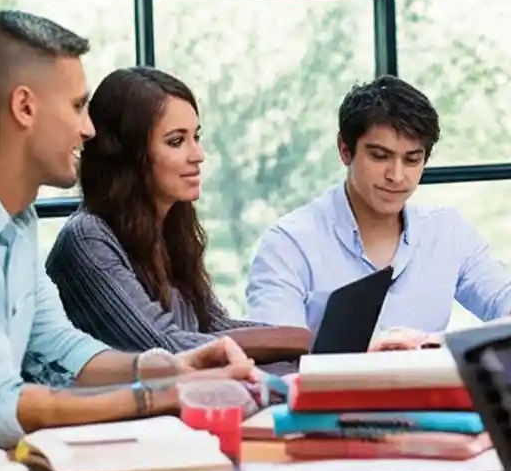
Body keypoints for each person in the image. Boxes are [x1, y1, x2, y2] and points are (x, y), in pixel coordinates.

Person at [0, 11, 255, 448]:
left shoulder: (17, 219)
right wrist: (157, 396)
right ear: (24, 107)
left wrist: (170, 368)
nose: (88, 129)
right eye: (78, 106)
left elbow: (58, 346)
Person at [245, 75, 511, 334]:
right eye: (380, 156)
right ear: (345, 150)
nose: (396, 176)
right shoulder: (288, 244)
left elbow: (503, 299)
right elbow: (277, 361)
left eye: (412, 160)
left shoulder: (445, 230)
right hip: (332, 405)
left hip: (430, 403)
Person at [45, 67, 311, 364]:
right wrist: (304, 340)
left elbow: (214, 326)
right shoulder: (87, 238)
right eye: (176, 141)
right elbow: (165, 346)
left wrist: (311, 346)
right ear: (128, 155)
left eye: (195, 137)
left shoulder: (170, 227)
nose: (198, 155)